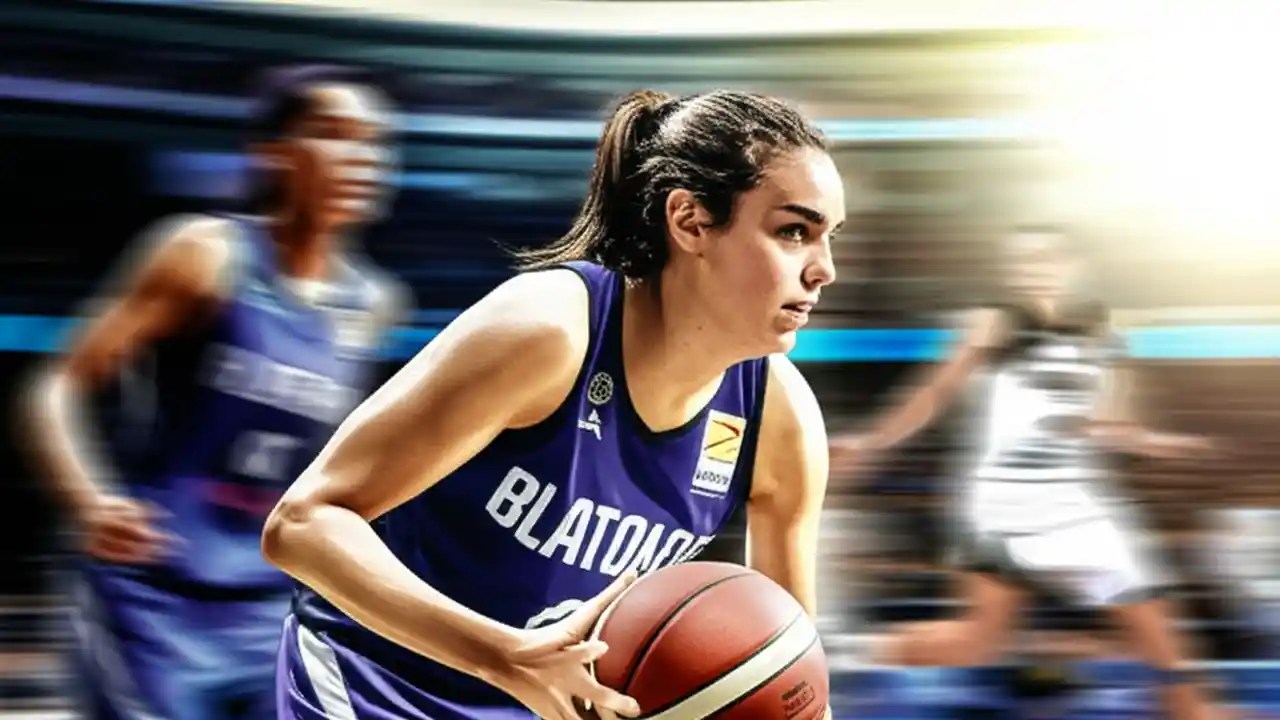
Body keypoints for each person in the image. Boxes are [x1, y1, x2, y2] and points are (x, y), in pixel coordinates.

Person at [263, 89, 843, 720]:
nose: (825, 270)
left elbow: (791, 675)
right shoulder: (549, 333)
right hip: (375, 683)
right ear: (690, 221)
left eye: (828, 237)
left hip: (543, 701)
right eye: (793, 231)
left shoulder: (779, 420)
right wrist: (505, 657)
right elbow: (302, 524)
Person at [23, 65, 406, 719]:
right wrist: (89, 502)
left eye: (373, 142)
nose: (360, 158)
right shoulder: (205, 253)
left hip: (267, 603)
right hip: (154, 598)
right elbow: (56, 386)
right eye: (333, 134)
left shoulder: (374, 303)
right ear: (275, 153)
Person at [830, 224, 1229, 720]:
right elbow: (933, 395)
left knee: (1147, 607)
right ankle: (854, 656)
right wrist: (872, 442)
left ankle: (1193, 710)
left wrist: (1155, 443)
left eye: (1044, 258)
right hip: (1002, 500)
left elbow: (1106, 426)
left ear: (1074, 265)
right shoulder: (992, 324)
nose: (1031, 269)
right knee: (977, 644)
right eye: (1020, 261)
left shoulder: (1104, 334)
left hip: (1076, 500)